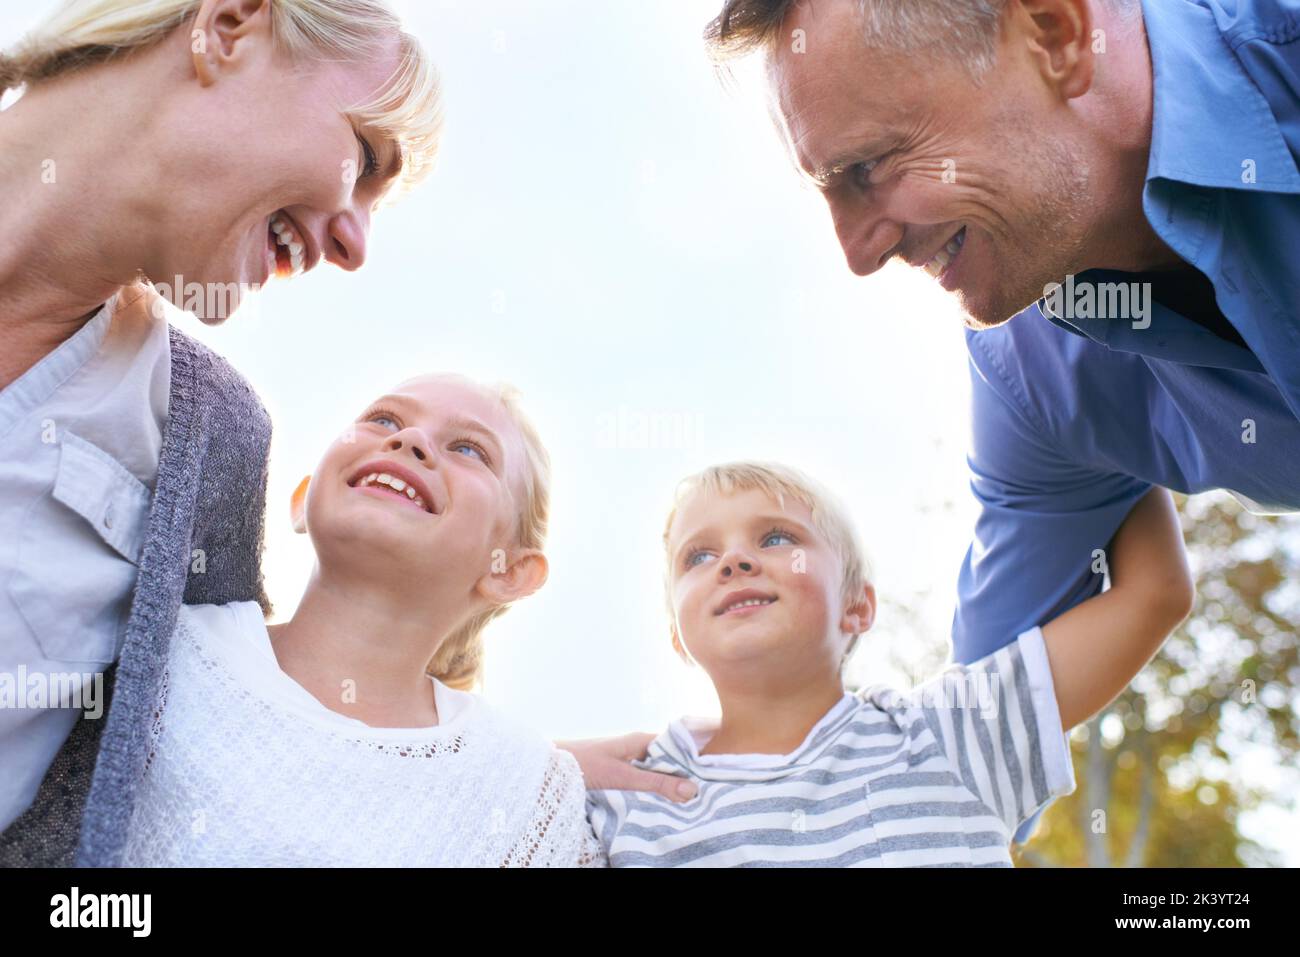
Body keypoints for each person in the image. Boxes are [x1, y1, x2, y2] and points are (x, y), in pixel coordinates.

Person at [700, 0, 1300, 841]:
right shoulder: (1035, 371)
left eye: (868, 167)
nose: (858, 253)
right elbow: (970, 740)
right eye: (829, 190)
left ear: (1054, 35)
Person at [0, 0, 443, 865]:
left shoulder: (209, 442)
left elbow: (254, 727)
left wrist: (515, 771)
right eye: (362, 162)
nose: (354, 243)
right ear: (230, 26)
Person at [586, 461, 1192, 865]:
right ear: (675, 634)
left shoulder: (947, 732)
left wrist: (1116, 413)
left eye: (776, 539)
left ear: (856, 606)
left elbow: (1153, 595)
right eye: (698, 555)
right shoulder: (625, 794)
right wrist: (558, 762)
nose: (735, 560)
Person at [119, 373, 604, 866]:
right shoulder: (159, 644)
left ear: (512, 572)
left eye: (469, 450)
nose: (409, 440)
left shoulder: (528, 790)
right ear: (302, 500)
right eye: (383, 419)